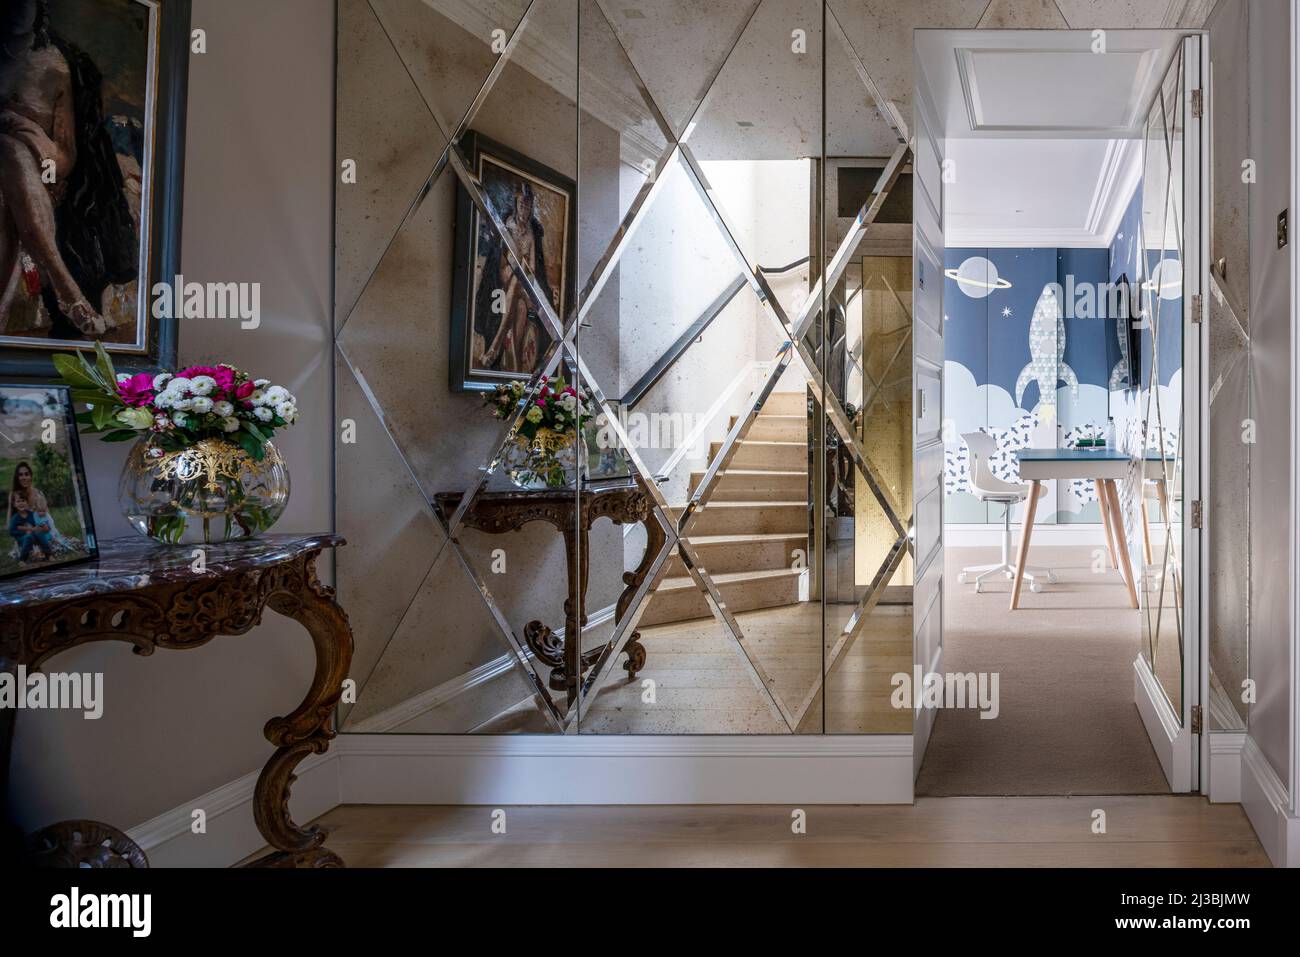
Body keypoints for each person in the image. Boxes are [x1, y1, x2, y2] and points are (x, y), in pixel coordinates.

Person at [0, 0, 136, 339]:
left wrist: (30, 135)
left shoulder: (53, 68)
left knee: (15, 151)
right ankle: (66, 289)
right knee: (9, 148)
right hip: (18, 178)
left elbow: (61, 159)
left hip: (40, 177)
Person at [476, 180, 554, 373]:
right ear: (516, 205)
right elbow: (499, 261)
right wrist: (514, 265)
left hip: (524, 283)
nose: (524, 210)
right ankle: (515, 367)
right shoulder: (507, 226)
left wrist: (524, 266)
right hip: (504, 277)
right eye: (522, 205)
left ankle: (499, 352)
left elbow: (533, 268)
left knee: (519, 298)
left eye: (528, 207)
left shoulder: (531, 233)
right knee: (516, 295)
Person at [8, 490, 51, 561]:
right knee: (28, 536)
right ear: (14, 504)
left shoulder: (32, 514)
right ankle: (23, 559)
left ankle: (48, 554)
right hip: (23, 539)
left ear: (27, 502)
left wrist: (44, 527)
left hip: (35, 536)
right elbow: (11, 532)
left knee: (39, 533)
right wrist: (25, 532)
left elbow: (39, 523)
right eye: (18, 501)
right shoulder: (15, 518)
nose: (21, 503)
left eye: (23, 501)